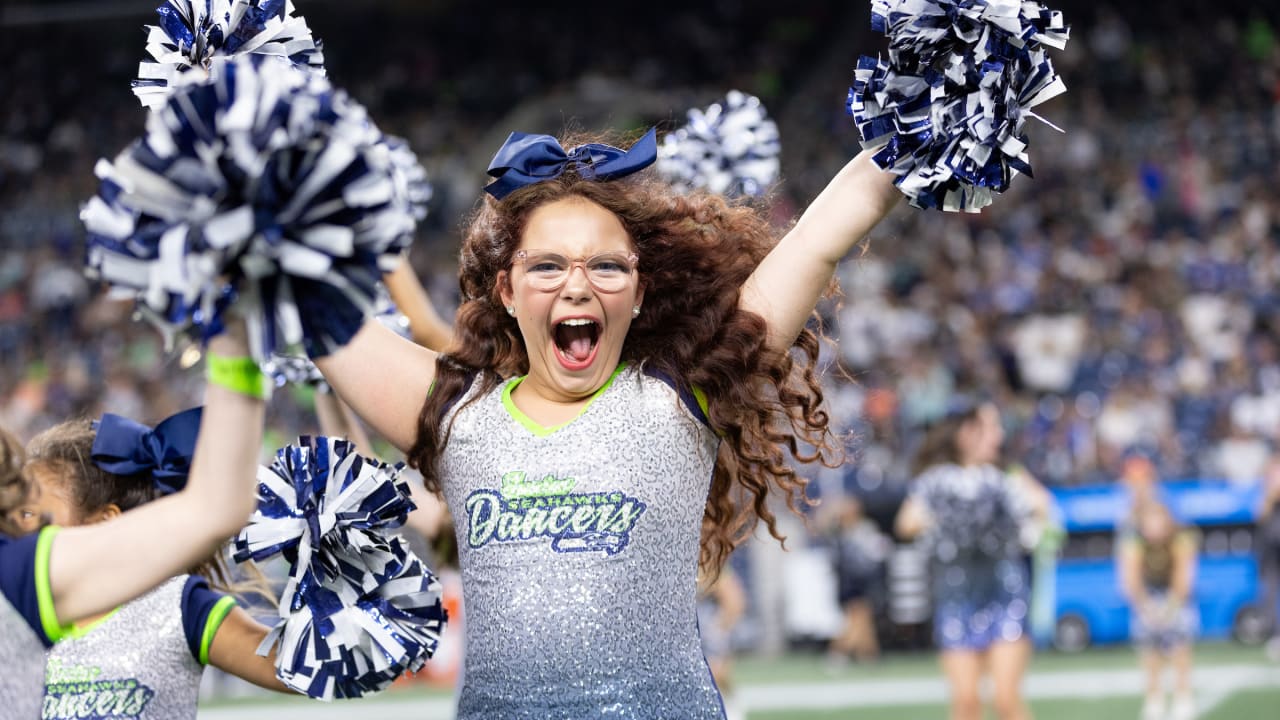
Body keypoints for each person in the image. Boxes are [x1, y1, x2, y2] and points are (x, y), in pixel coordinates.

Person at [312, 127, 900, 717]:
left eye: (606, 266)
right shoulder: (458, 415)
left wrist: (927, 120)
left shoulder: (678, 404)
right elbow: (307, 296)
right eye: (546, 265)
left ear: (639, 291)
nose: (577, 285)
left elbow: (828, 231)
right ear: (507, 291)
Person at [0, 322, 266, 718]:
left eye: (31, 514)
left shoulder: (173, 606)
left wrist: (233, 335)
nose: (20, 528)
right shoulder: (19, 578)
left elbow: (219, 507)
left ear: (104, 522)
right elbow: (217, 506)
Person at [895, 401, 1050, 720]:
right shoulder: (937, 479)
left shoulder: (1006, 474)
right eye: (991, 428)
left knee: (1006, 700)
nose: (999, 435)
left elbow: (1042, 508)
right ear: (966, 434)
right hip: (956, 600)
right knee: (966, 703)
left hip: (1004, 598)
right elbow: (906, 523)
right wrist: (951, 520)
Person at [1119, 499, 1198, 720]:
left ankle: (1183, 696)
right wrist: (1146, 608)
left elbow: (1183, 579)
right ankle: (1154, 698)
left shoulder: (1181, 537)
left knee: (1179, 642)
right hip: (1148, 591)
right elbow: (1131, 581)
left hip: (1173, 590)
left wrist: (1171, 608)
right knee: (1149, 644)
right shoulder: (1132, 540)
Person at [826, 495, 888, 667]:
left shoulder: (866, 528)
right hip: (848, 580)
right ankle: (839, 653)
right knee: (857, 618)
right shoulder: (838, 530)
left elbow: (877, 551)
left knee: (862, 618)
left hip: (864, 579)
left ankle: (867, 655)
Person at [1260, 455, 1280, 662]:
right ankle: (1275, 635)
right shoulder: (1266, 496)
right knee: (1271, 592)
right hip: (1271, 548)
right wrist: (1270, 494)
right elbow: (1260, 515)